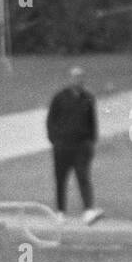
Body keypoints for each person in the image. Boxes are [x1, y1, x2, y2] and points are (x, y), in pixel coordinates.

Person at [47, 66, 103, 225]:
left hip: (82, 146)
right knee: (60, 179)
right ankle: (60, 212)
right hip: (62, 145)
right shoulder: (59, 97)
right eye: (75, 77)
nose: (78, 80)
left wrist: (91, 142)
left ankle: (88, 211)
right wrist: (54, 140)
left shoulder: (88, 98)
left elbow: (92, 122)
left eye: (80, 77)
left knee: (83, 176)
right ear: (70, 79)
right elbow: (51, 120)